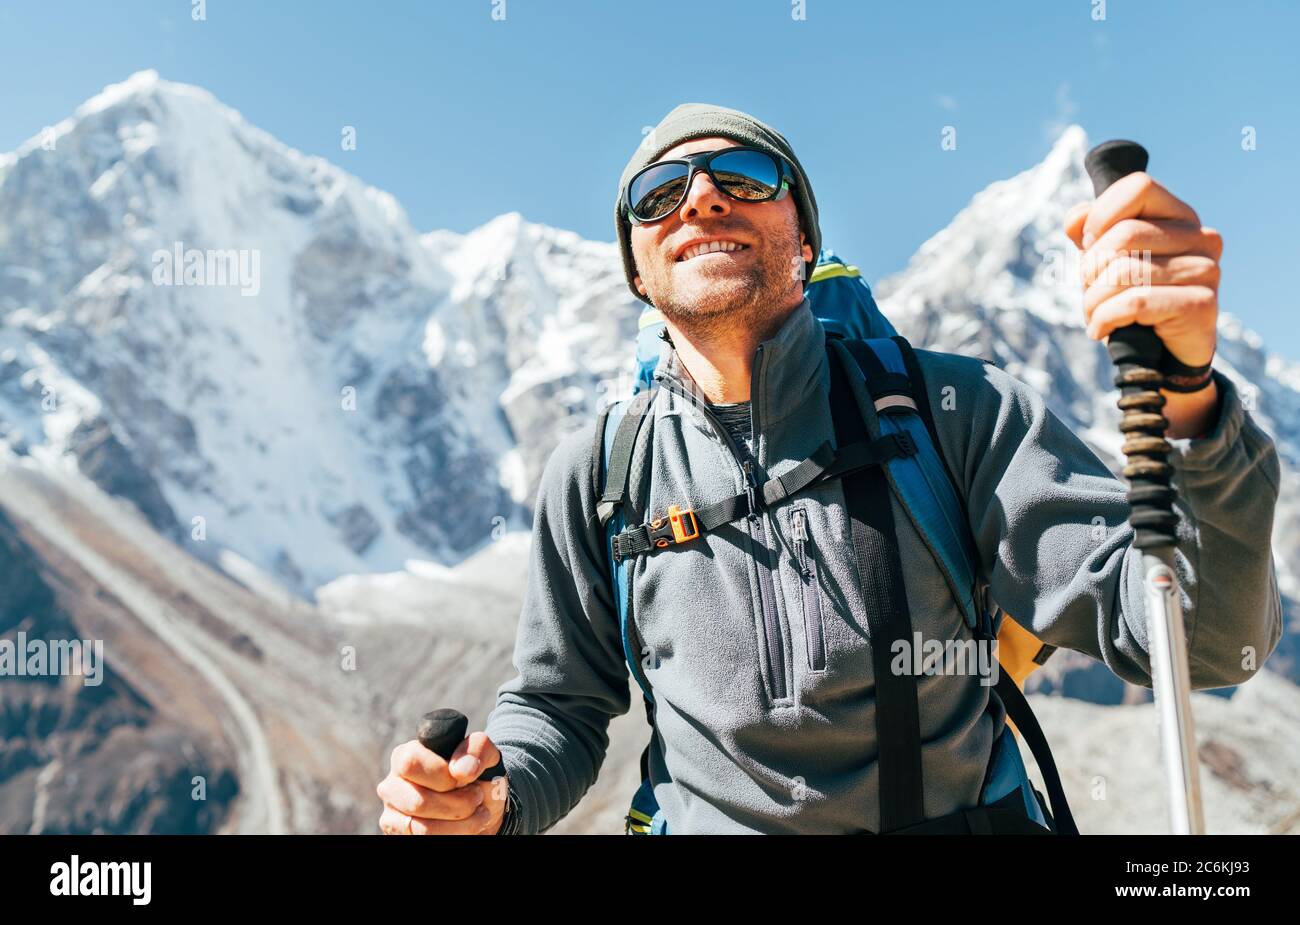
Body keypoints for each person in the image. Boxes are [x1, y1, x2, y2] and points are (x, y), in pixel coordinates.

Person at [375, 103, 1282, 835]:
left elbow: (1201, 639)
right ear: (638, 275)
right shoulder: (600, 474)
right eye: (658, 193)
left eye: (745, 176)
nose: (698, 199)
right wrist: (493, 800)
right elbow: (559, 706)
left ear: (804, 242)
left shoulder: (953, 412)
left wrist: (1191, 400)